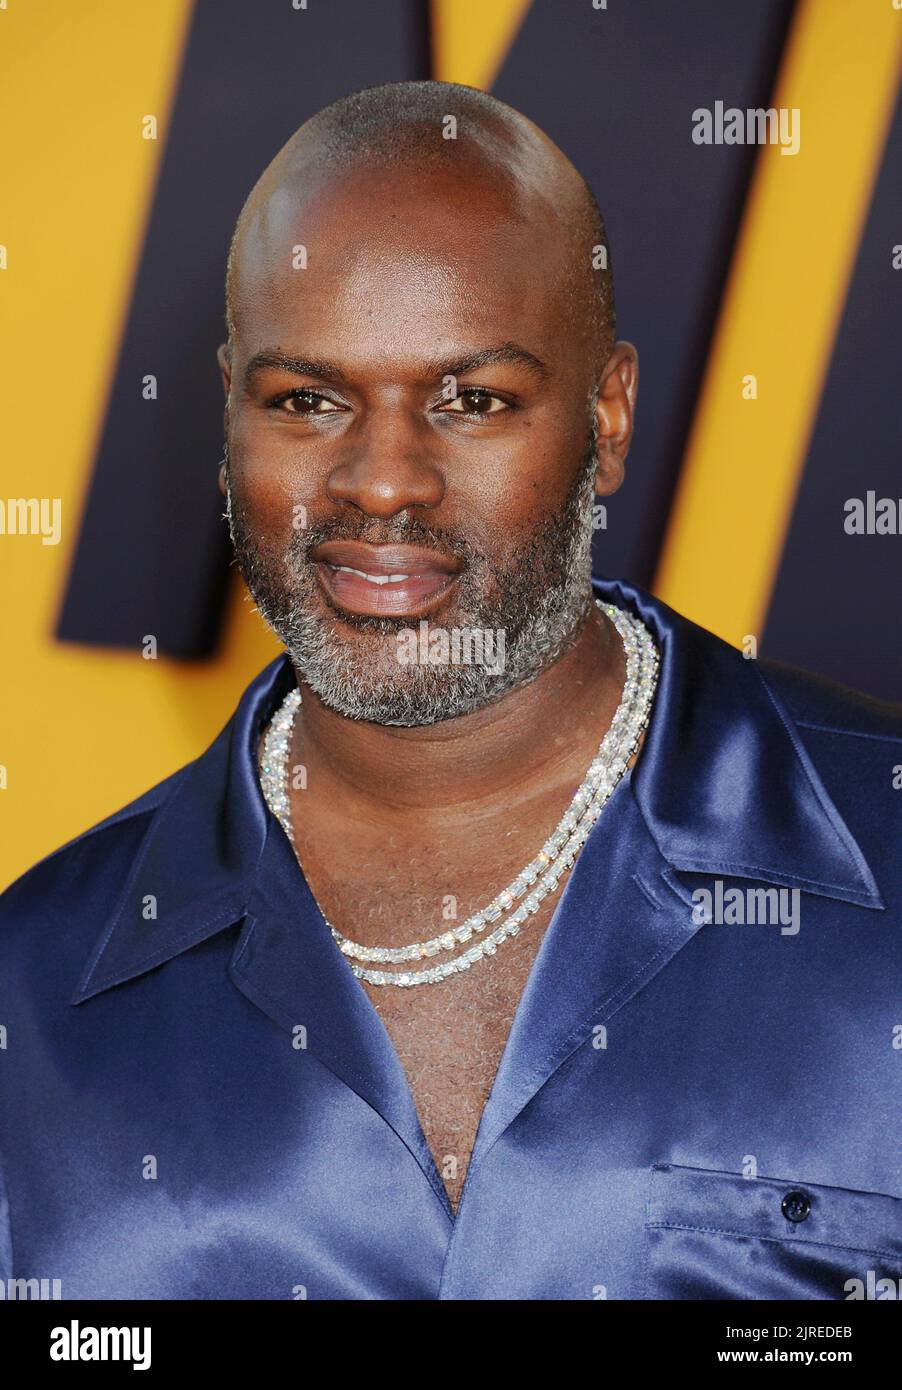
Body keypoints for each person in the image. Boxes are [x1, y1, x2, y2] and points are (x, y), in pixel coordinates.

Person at [1, 81, 900, 1302]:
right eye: (307, 400)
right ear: (229, 416)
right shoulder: (36, 991)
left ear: (607, 414)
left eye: (472, 399)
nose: (382, 483)